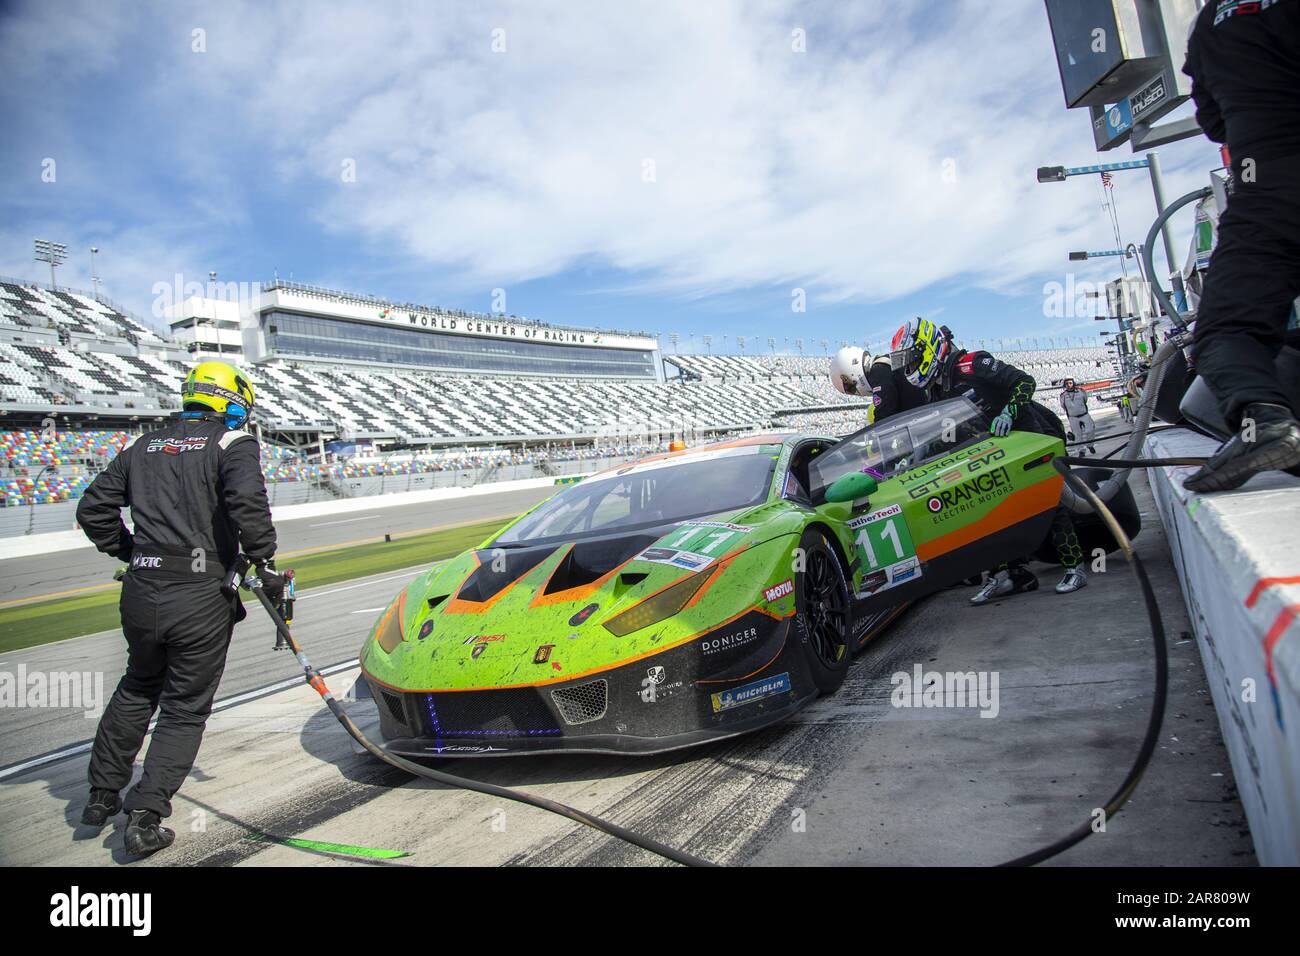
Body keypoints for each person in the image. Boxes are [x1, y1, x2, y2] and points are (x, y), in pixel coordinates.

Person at [74, 361, 280, 858]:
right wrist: (263, 557)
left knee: (137, 684)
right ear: (228, 400)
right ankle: (145, 814)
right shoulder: (232, 444)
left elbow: (91, 510)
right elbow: (247, 506)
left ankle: (101, 795)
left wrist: (129, 552)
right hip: (199, 593)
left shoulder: (141, 445)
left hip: (141, 589)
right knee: (185, 707)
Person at [1181, 0, 1300, 492]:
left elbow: (1212, 122)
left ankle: (1267, 422)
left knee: (1227, 329)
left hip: (1269, 187)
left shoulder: (1209, 24)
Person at [888, 318, 1086, 601]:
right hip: (991, 456)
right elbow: (941, 433)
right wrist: (913, 457)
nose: (908, 368)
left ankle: (1075, 567)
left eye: (910, 360)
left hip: (1026, 440)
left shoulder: (972, 364)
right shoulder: (936, 388)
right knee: (989, 515)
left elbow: (1024, 382)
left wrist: (1009, 412)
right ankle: (1009, 576)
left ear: (927, 348)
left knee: (1048, 504)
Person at [829, 344, 929, 423]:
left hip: (924, 423)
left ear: (851, 371)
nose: (856, 391)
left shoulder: (878, 371)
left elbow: (884, 415)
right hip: (927, 415)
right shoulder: (886, 361)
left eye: (851, 388)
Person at [1059, 378, 1096, 455]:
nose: (1069, 385)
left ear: (1073, 383)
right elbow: (1063, 406)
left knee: (1090, 430)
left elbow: (1085, 400)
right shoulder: (1063, 396)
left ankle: (1090, 445)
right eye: (1067, 384)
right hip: (1073, 418)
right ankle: (1081, 451)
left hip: (1084, 414)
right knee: (1077, 435)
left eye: (1070, 383)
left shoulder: (1081, 391)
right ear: (1064, 385)